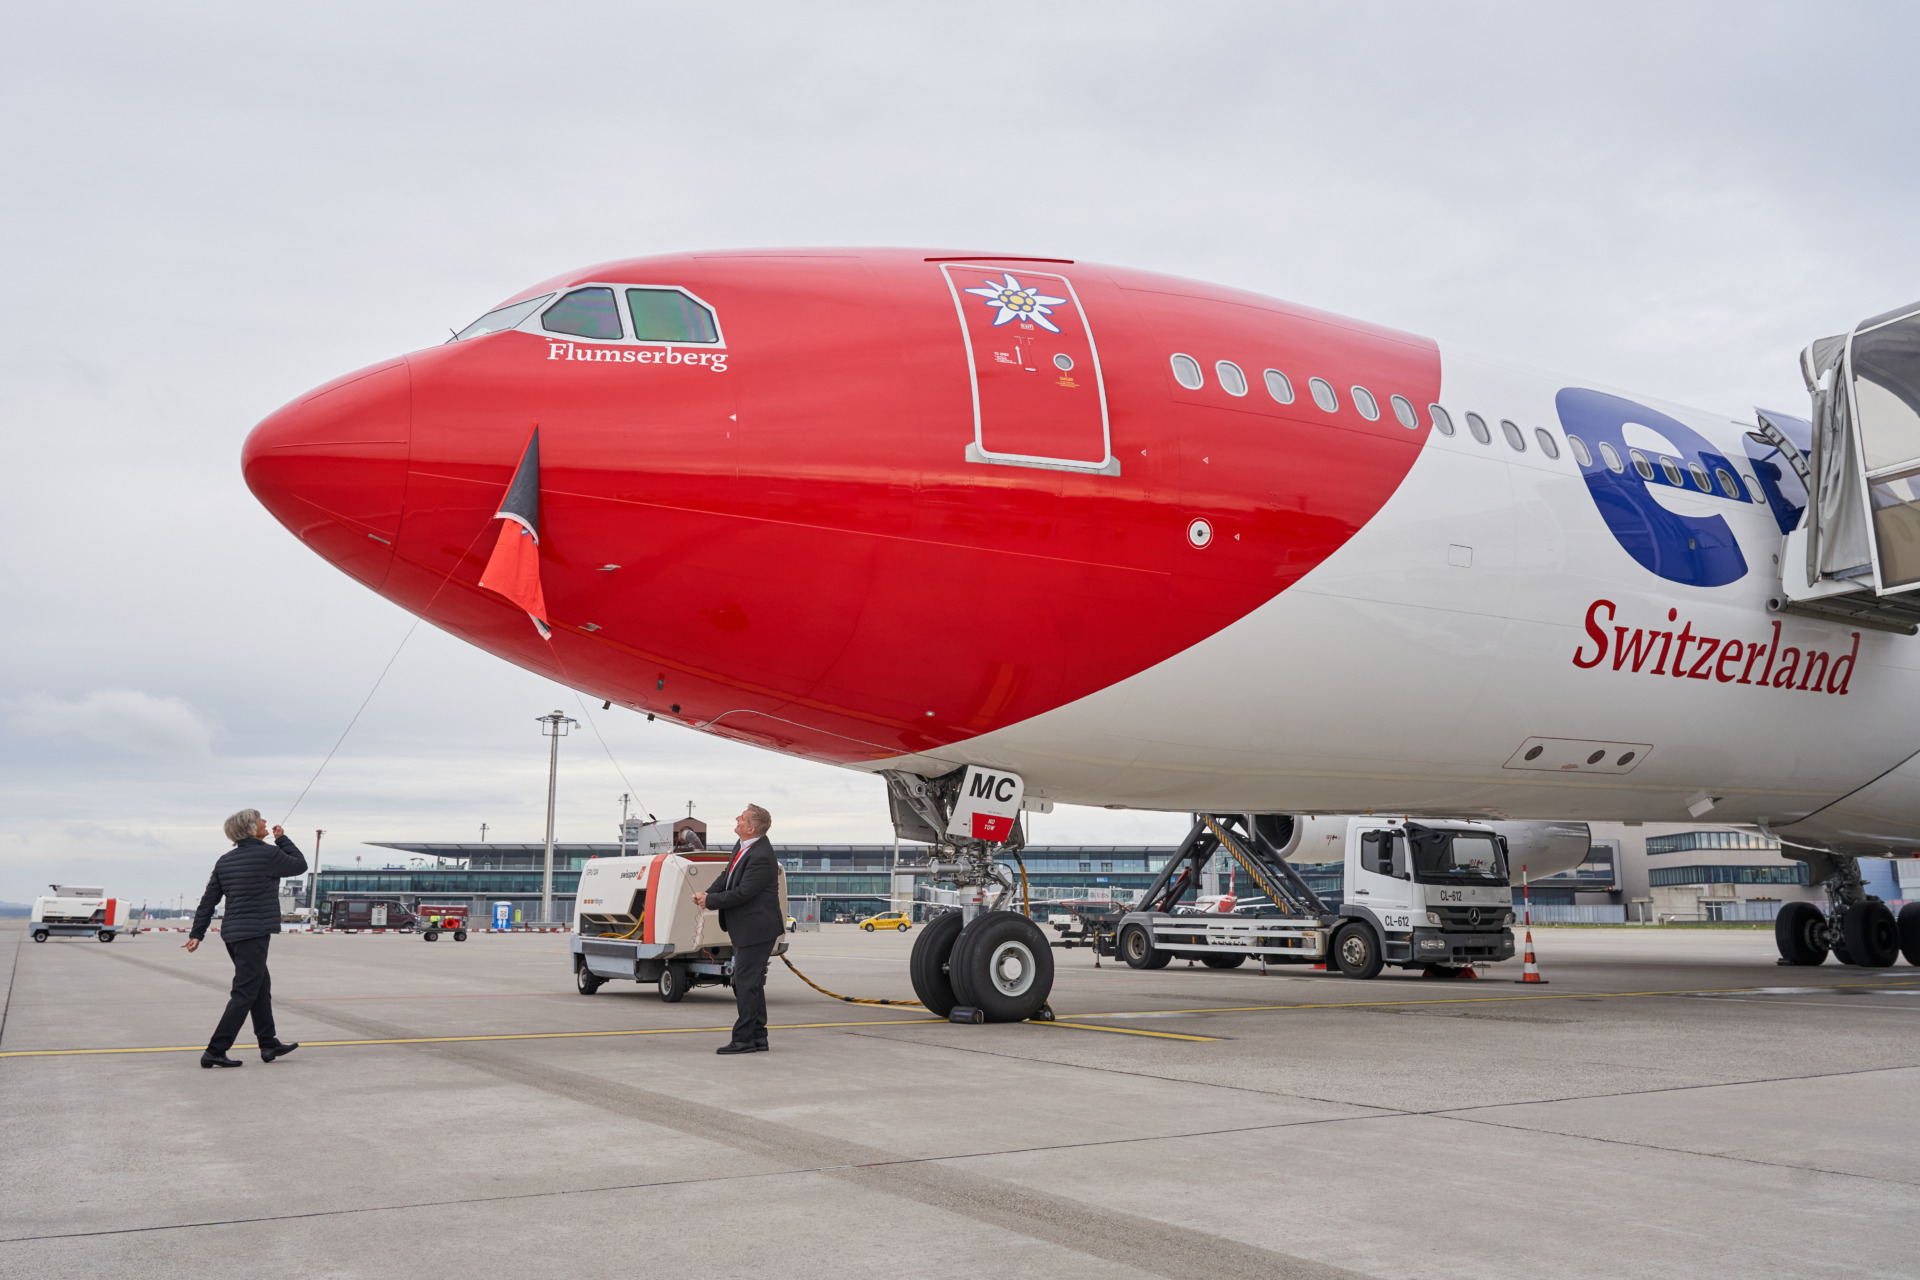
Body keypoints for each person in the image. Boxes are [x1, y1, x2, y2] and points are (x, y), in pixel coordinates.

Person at [185, 809, 308, 1068]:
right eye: (261, 820)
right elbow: (299, 864)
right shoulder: (268, 854)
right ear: (252, 829)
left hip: (233, 933)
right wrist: (282, 839)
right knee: (245, 992)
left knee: (260, 986)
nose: (265, 822)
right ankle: (215, 1050)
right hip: (254, 932)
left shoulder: (225, 860)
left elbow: (209, 900)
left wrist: (197, 933)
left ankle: (268, 1043)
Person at [691, 804, 781, 1054]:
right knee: (751, 984)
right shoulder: (742, 846)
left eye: (741, 818)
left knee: (744, 984)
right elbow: (727, 877)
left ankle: (743, 1040)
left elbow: (743, 893)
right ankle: (758, 1037)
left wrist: (710, 901)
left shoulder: (761, 856)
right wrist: (707, 894)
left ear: (751, 828)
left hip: (756, 930)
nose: (736, 819)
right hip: (747, 928)